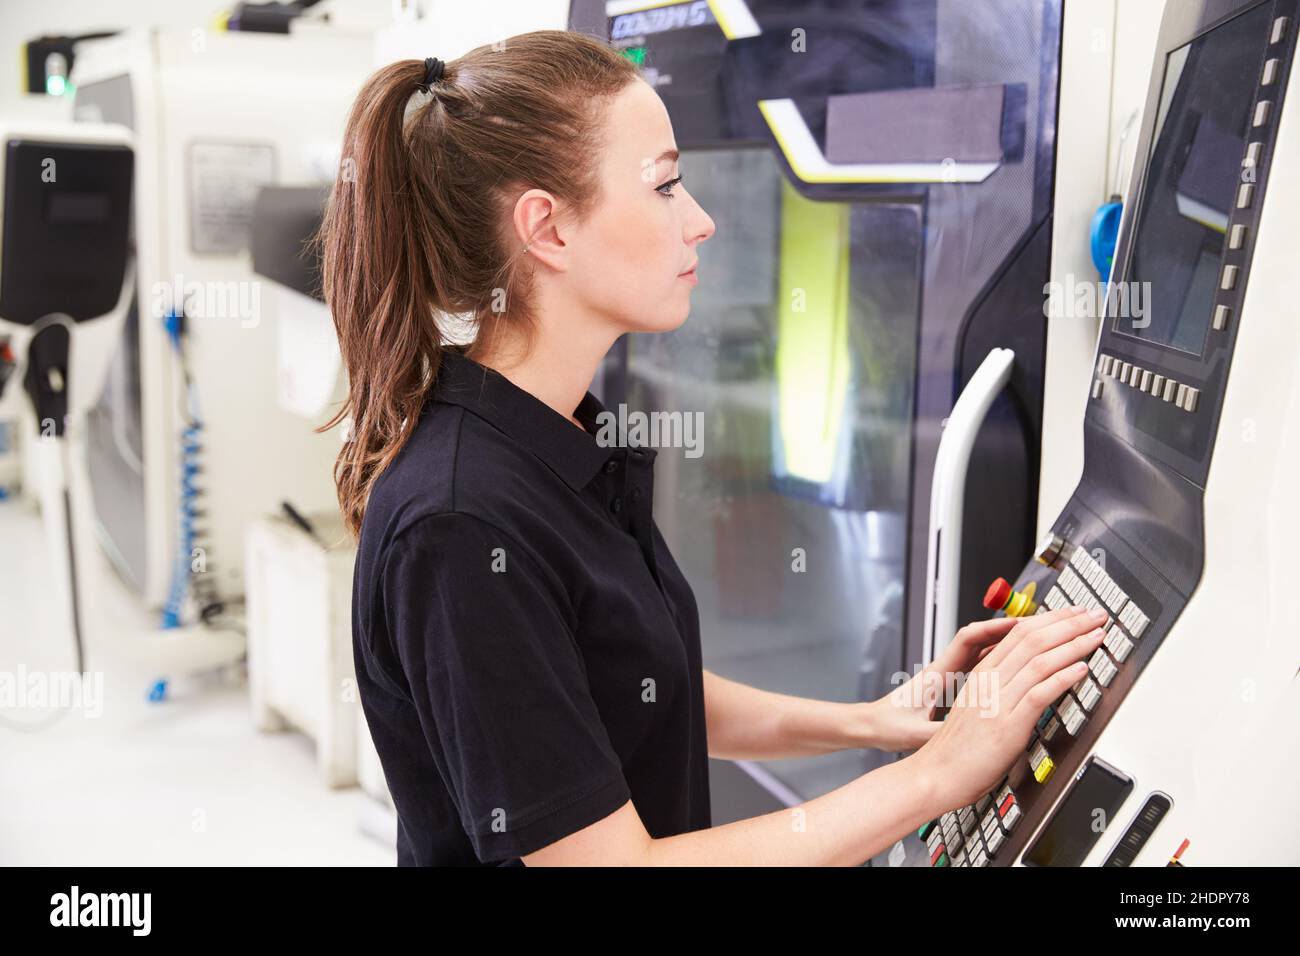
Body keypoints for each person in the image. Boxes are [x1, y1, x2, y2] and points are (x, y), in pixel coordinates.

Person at [317, 29, 1108, 866]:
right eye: (664, 185)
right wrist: (940, 775)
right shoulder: (464, 525)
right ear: (547, 230)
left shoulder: (560, 436)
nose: (700, 221)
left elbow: (636, 687)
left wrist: (877, 720)